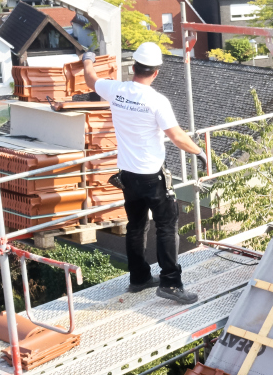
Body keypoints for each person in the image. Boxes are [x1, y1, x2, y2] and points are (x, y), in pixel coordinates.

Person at [83, 43, 208, 304]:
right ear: (156, 72)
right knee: (166, 227)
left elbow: (90, 79)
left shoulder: (115, 90)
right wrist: (199, 152)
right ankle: (171, 284)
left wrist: (87, 59)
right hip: (152, 177)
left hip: (127, 176)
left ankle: (139, 278)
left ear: (133, 67)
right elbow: (176, 136)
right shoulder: (156, 101)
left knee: (136, 226)